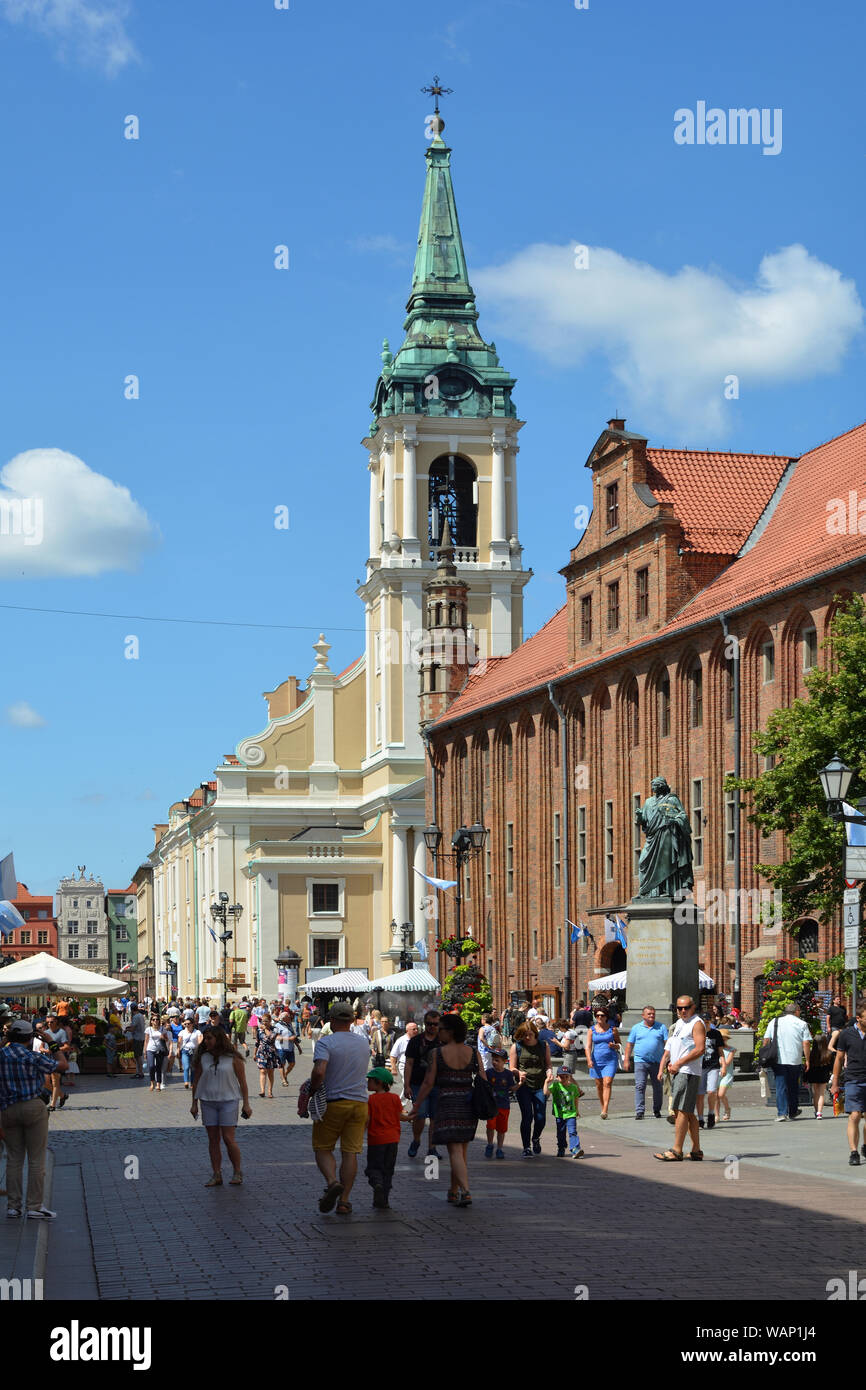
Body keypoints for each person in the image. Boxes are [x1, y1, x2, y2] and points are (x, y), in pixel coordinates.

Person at [0, 1019, 68, 1219]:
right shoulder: (32, 1057)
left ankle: (13, 1206)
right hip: (33, 1106)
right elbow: (62, 1065)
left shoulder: (1, 1056)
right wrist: (50, 1041)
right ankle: (34, 1206)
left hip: (7, 1109)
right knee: (36, 1158)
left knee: (14, 1158)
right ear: (31, 1038)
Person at [408, 1013, 478, 1206]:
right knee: (461, 1151)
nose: (438, 1032)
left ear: (451, 1032)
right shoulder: (472, 1051)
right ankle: (453, 1191)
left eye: (441, 1029)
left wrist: (416, 1105)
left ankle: (466, 1191)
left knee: (455, 1150)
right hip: (468, 1103)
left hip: (447, 1103)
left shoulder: (437, 1054)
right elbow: (483, 1079)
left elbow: (428, 1082)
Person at [309, 1001, 372, 1215]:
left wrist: (313, 1089)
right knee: (350, 1153)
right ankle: (344, 1200)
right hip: (360, 1104)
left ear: (332, 1021)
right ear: (352, 1021)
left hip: (334, 1103)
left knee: (323, 1148)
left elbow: (319, 1071)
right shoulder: (363, 1042)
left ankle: (332, 1181)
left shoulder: (326, 1043)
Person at [190, 1028, 252, 1186]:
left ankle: (237, 1171)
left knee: (228, 1138)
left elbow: (243, 1083)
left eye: (209, 1038)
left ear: (218, 1039)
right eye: (205, 1038)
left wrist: (246, 1103)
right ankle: (216, 1173)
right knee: (213, 1139)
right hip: (208, 1101)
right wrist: (194, 1103)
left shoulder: (233, 1058)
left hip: (229, 1101)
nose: (206, 1041)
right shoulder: (203, 1058)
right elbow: (196, 1082)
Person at [654, 996, 706, 1163]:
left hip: (687, 1071)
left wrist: (679, 1063)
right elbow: (672, 1048)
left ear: (693, 1007)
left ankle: (677, 1150)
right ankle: (696, 1150)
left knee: (681, 1110)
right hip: (678, 1071)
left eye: (686, 1007)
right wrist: (668, 1064)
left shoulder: (696, 1023)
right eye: (679, 1008)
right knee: (687, 1112)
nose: (683, 1010)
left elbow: (700, 1049)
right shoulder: (680, 1024)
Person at [364, 1066, 407, 1208]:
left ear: (378, 1082)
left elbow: (367, 1120)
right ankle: (384, 1200)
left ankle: (377, 1183)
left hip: (376, 1140)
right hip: (393, 1140)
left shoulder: (371, 1100)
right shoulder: (395, 1098)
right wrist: (411, 1116)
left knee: (373, 1168)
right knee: (388, 1170)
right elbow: (401, 1116)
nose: (367, 1083)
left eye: (369, 1080)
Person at [403, 1010, 443, 1160]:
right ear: (424, 1024)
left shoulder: (442, 1041)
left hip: (438, 1085)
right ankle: (416, 1140)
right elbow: (409, 1063)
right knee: (419, 1114)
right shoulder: (416, 1041)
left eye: (435, 1024)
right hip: (418, 1084)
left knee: (434, 1116)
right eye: (429, 1024)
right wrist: (406, 1085)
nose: (432, 1027)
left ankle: (432, 1148)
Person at [510, 1020, 553, 1156]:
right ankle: (526, 1147)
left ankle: (535, 1138)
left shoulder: (543, 1045)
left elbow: (548, 1064)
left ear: (535, 1033)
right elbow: (512, 1067)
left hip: (540, 1085)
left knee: (540, 1118)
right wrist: (518, 1072)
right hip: (524, 1086)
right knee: (527, 1116)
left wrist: (549, 1072)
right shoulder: (516, 1047)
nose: (527, 1038)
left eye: (530, 1035)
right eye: (524, 1035)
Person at [831, 1000, 866, 1165]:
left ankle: (865, 1145)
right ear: (858, 1018)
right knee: (855, 1115)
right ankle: (854, 1152)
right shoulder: (846, 1034)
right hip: (853, 1079)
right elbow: (838, 1059)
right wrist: (835, 1082)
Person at [623, 1005, 668, 1119]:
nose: (652, 1015)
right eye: (649, 1014)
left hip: (657, 1062)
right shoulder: (636, 1028)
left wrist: (668, 1060)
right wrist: (626, 1059)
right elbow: (629, 1044)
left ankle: (657, 1110)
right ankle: (639, 1111)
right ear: (643, 1016)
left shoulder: (661, 1027)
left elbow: (667, 1044)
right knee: (640, 1086)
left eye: (653, 1013)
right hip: (640, 1061)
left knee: (657, 1087)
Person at [770, 1003, 812, 1121]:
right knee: (793, 1086)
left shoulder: (775, 1021)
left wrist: (767, 1056)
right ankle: (793, 1111)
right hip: (795, 1060)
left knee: (780, 1086)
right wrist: (807, 1059)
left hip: (778, 1059)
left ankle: (782, 1113)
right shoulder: (802, 1024)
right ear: (797, 1011)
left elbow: (766, 1039)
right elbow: (806, 1043)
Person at [585, 1007, 620, 1120]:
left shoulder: (612, 1029)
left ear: (606, 1017)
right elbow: (588, 1046)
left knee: (607, 1082)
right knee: (599, 1085)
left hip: (610, 1060)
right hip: (596, 1060)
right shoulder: (592, 1030)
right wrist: (589, 1059)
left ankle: (605, 1109)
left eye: (602, 1015)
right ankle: (602, 1105)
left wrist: (614, 1046)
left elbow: (619, 1044)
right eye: (598, 1015)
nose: (600, 1017)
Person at [544, 1066, 585, 1158]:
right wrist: (546, 1082)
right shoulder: (555, 1086)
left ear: (570, 1077)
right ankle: (561, 1148)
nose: (564, 1079)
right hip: (560, 1115)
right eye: (562, 1077)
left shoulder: (574, 1087)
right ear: (557, 1077)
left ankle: (575, 1149)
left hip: (571, 1114)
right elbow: (546, 1093)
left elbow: (576, 1099)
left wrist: (577, 1110)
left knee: (572, 1132)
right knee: (561, 1133)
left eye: (566, 1076)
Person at [484, 1047, 518, 1158]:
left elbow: (512, 1088)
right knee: (490, 1126)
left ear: (505, 1061)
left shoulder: (508, 1074)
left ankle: (499, 1148)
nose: (494, 1062)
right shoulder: (488, 1073)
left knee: (501, 1129)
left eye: (497, 1060)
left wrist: (520, 1083)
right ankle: (490, 1145)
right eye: (493, 1059)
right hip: (491, 1106)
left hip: (504, 1106)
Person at [697, 1016, 724, 1129]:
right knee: (700, 1094)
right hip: (699, 1067)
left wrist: (724, 1066)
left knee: (711, 1091)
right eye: (703, 1022)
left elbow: (720, 1051)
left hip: (713, 1065)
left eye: (707, 1022)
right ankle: (700, 1118)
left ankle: (711, 1113)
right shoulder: (696, 1033)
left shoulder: (716, 1034)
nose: (705, 1024)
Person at [804, 1033, 833, 1118]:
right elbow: (831, 1067)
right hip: (824, 1074)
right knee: (821, 1094)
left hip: (813, 1074)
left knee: (815, 1093)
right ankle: (819, 1113)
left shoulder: (812, 1054)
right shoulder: (828, 1054)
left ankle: (816, 1111)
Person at [144, 1014, 171, 1092]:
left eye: (157, 1019)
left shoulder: (162, 1029)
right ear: (151, 1021)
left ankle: (158, 1084)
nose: (155, 1021)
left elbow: (167, 1040)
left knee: (159, 1067)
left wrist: (164, 1037)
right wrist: (145, 1052)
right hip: (150, 1049)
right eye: (153, 1019)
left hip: (160, 1050)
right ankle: (152, 1082)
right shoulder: (148, 1029)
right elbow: (146, 1041)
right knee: (151, 1066)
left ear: (159, 1021)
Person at [255, 1014, 278, 1098]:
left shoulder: (275, 1029)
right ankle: (262, 1091)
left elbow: (270, 1038)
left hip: (271, 1052)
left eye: (266, 1021)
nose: (264, 1023)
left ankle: (270, 1091)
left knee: (270, 1072)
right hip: (261, 1052)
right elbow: (257, 1042)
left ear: (270, 1020)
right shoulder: (259, 1030)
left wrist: (265, 1029)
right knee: (262, 1071)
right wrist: (254, 1054)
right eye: (263, 1021)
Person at [178, 1019, 203, 1089]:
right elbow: (179, 1041)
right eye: (185, 1024)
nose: (187, 1025)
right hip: (185, 1051)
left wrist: (199, 1046)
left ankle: (192, 1083)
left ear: (192, 1024)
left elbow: (199, 1040)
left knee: (193, 1068)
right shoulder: (182, 1032)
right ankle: (186, 1082)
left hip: (194, 1051)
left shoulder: (197, 1032)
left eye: (188, 1024)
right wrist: (178, 1050)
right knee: (186, 1067)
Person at [718, 1030, 736, 1120]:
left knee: (721, 1094)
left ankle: (727, 1108)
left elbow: (727, 1062)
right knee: (715, 1095)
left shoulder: (731, 1050)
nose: (722, 1039)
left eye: (724, 1038)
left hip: (727, 1074)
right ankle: (716, 1115)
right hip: (716, 1073)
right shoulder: (715, 1049)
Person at [124, 1006, 147, 1078]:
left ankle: (140, 1072)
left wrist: (127, 1030)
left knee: (137, 1056)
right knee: (139, 1055)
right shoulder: (141, 1016)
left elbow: (133, 1029)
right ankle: (139, 1072)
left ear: (132, 1010)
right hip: (141, 1037)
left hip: (137, 1038)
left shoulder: (135, 1017)